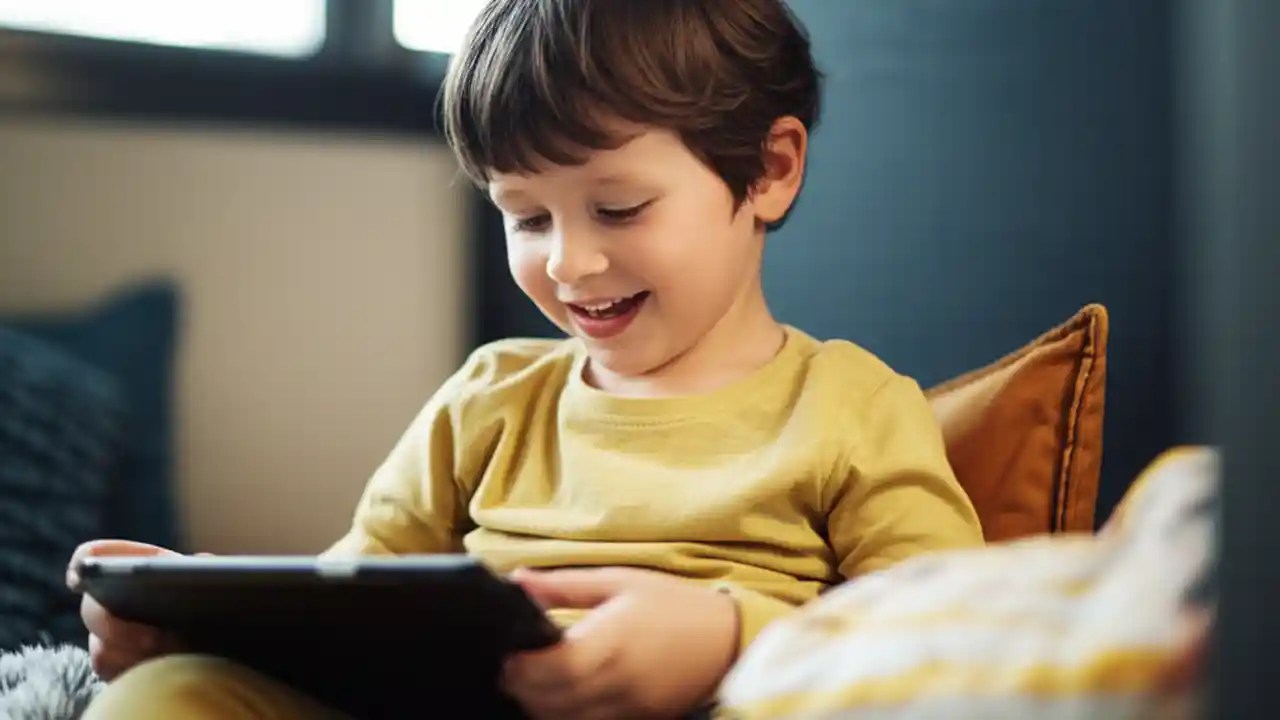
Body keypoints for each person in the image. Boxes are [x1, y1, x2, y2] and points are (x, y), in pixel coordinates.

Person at [70, 1, 983, 717]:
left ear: (771, 171)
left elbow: (949, 645)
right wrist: (203, 629)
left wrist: (730, 635)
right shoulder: (492, 396)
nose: (568, 263)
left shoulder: (849, 405)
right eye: (527, 217)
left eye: (619, 208)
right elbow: (350, 600)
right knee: (167, 698)